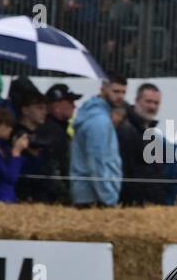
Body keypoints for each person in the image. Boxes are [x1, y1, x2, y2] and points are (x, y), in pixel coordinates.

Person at [70, 77, 126, 207]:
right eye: (116, 91)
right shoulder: (99, 121)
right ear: (103, 89)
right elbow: (97, 163)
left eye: (123, 92)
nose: (120, 96)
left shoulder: (98, 116)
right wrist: (109, 199)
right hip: (95, 198)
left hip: (90, 195)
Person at [22, 82, 81, 203]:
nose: (74, 106)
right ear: (56, 105)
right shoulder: (51, 131)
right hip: (49, 199)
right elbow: (52, 171)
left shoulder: (58, 129)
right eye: (70, 102)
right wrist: (67, 197)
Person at [0, 109, 30, 203]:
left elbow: (24, 170)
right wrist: (16, 152)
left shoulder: (4, 148)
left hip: (7, 201)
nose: (11, 129)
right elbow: (10, 177)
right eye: (7, 126)